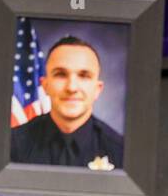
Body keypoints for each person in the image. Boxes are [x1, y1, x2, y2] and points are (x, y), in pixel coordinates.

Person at [9, 35, 124, 169]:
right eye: (61, 74)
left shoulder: (120, 152)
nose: (71, 87)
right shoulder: (13, 146)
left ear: (97, 89)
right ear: (45, 86)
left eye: (83, 76)